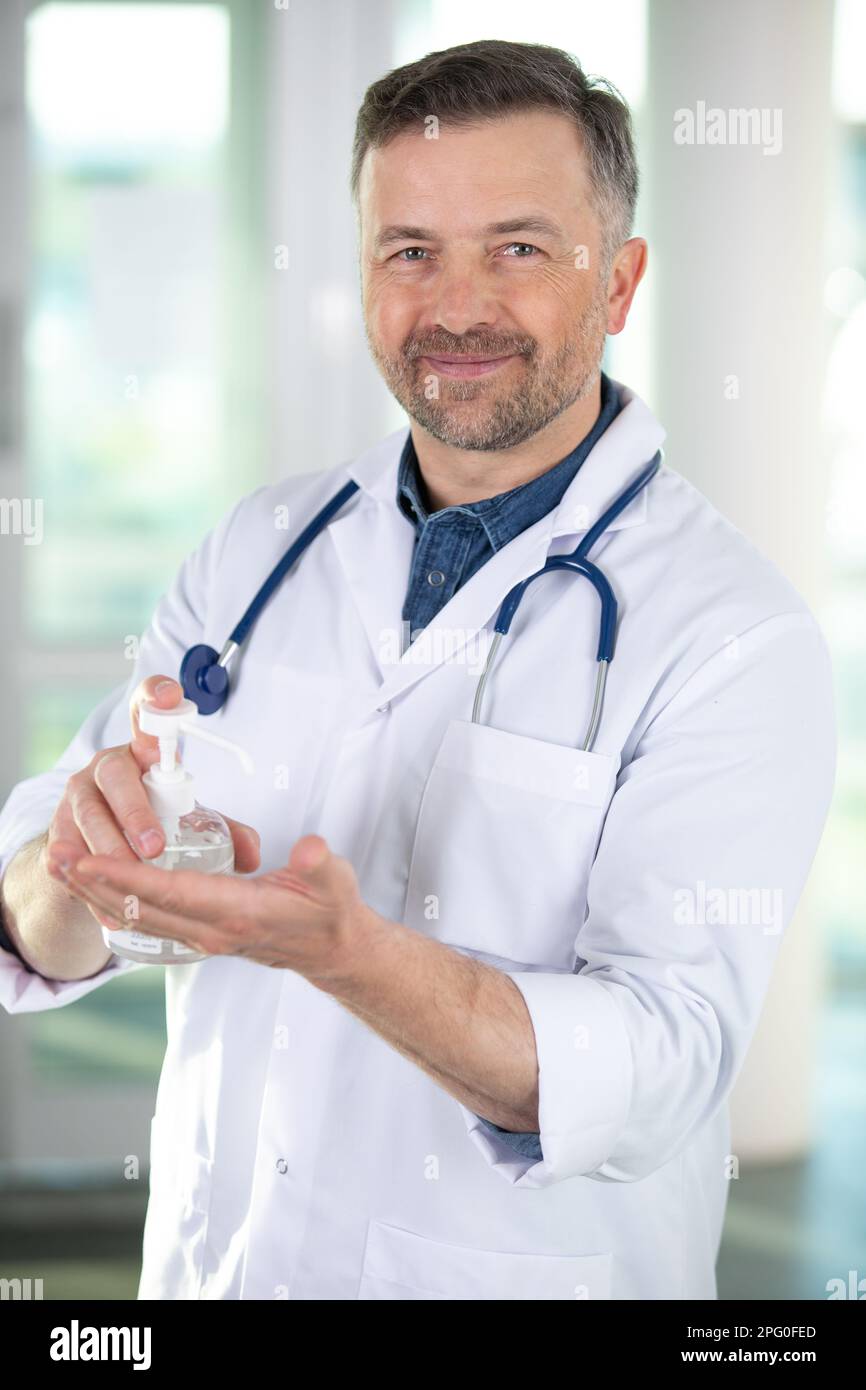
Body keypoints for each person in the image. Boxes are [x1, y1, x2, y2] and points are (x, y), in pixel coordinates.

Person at [0, 39, 836, 1300]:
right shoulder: (255, 551)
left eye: (515, 247)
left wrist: (349, 954)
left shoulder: (731, 634)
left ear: (616, 283)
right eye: (409, 251)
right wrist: (75, 868)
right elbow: (41, 919)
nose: (454, 307)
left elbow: (661, 1062)